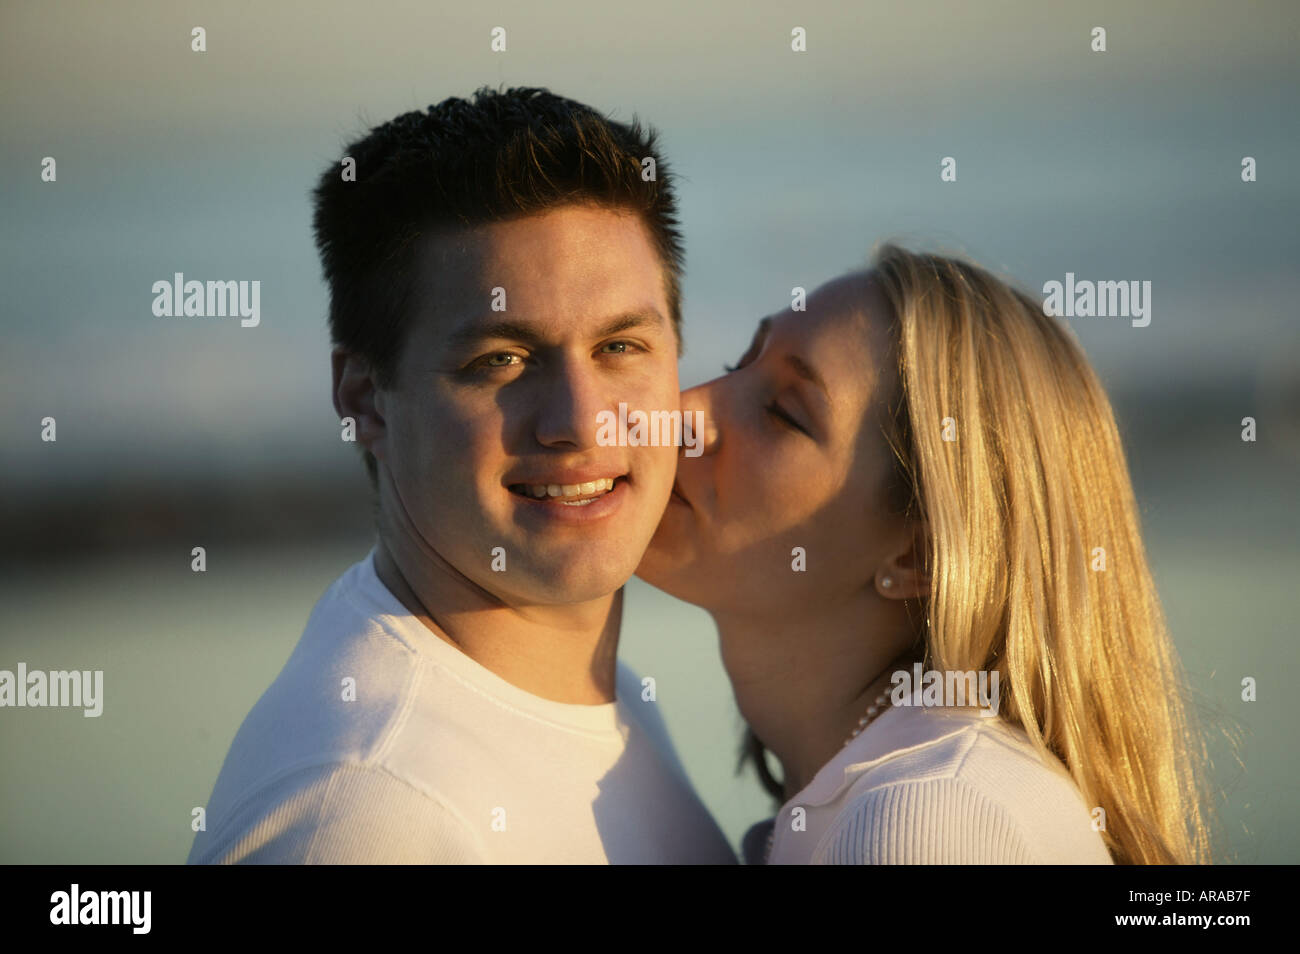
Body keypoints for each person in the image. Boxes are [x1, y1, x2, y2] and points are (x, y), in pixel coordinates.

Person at [188, 87, 735, 864]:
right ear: (364, 399)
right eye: (501, 360)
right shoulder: (370, 814)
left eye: (619, 346)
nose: (581, 420)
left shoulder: (605, 700)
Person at [636, 243, 1218, 864]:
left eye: (783, 413)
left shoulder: (929, 817)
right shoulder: (890, 798)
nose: (685, 408)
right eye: (739, 362)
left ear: (919, 557)